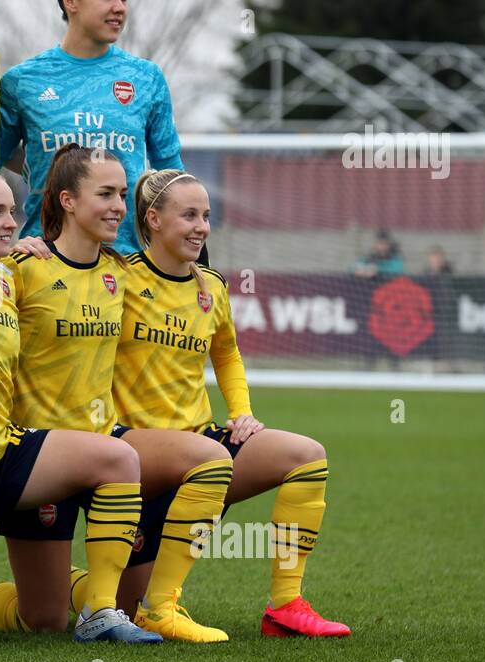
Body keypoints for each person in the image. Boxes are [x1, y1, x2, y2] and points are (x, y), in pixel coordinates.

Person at [110, 169, 350, 637]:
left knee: (306, 456)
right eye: (189, 215)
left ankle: (285, 605)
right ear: (153, 219)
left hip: (202, 451)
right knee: (62, 612)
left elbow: (227, 353)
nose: (202, 226)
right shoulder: (118, 279)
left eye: (206, 215)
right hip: (136, 457)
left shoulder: (211, 287)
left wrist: (241, 410)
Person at [0, 158, 161, 644]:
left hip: (7, 448)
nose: (10, 222)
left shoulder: (8, 271)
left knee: (118, 458)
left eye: (12, 211)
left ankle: (101, 608)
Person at [0, 0, 185, 257]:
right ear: (71, 0)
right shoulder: (23, 81)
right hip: (45, 259)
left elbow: (171, 178)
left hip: (129, 261)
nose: (120, 7)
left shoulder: (146, 77)